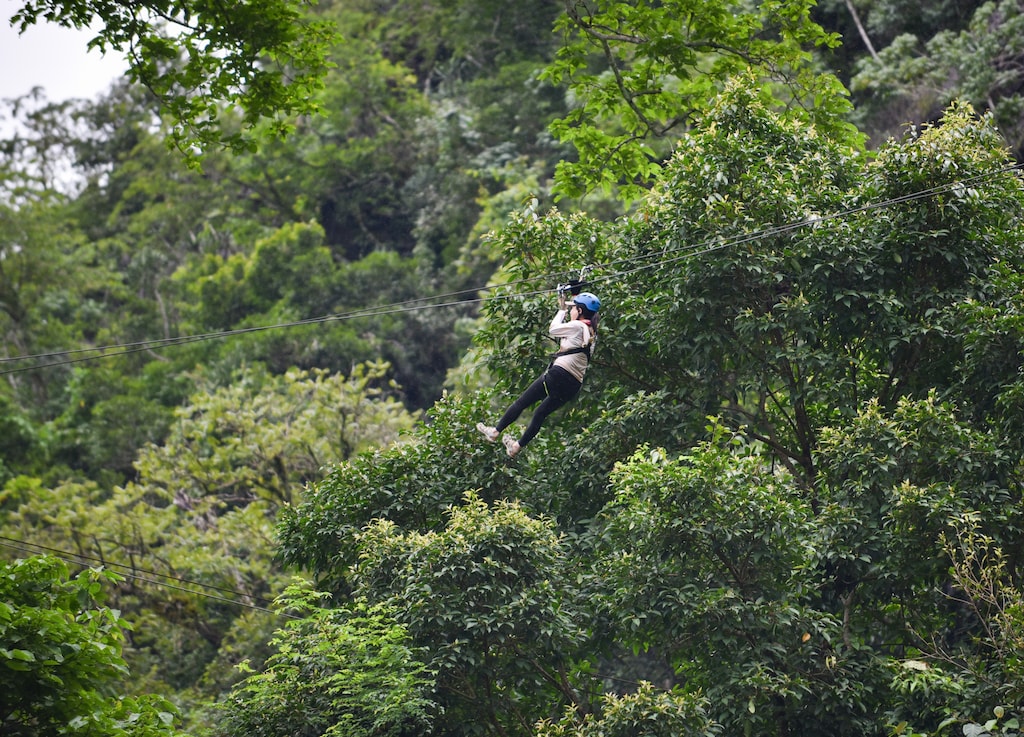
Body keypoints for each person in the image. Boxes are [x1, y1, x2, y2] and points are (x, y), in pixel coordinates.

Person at [477, 290, 600, 457]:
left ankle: (495, 432)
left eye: (574, 309)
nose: (571, 311)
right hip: (573, 385)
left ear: (579, 311)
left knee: (522, 402)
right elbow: (574, 321)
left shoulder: (577, 326)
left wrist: (562, 310)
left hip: (559, 374)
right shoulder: (591, 331)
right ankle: (516, 447)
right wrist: (575, 292)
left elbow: (553, 329)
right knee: (540, 414)